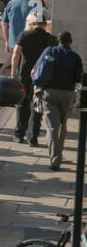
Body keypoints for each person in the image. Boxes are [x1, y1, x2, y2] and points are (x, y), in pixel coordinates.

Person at [34, 30, 83, 172]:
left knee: (52, 127)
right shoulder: (75, 57)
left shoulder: (50, 52)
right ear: (70, 41)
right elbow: (78, 77)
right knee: (63, 124)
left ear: (58, 40)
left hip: (49, 93)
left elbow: (39, 69)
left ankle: (55, 159)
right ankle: (59, 152)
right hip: (67, 94)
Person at [12, 10, 54, 147]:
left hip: (25, 74)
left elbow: (16, 55)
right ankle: (33, 137)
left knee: (22, 103)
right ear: (45, 23)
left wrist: (14, 73)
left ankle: (19, 134)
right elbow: (53, 59)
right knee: (37, 106)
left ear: (34, 22)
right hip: (41, 76)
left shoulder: (24, 35)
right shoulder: (51, 39)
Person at [3, 0, 39, 74]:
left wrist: (7, 40)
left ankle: (11, 76)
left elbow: (4, 23)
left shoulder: (11, 3)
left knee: (14, 60)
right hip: (29, 40)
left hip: (13, 39)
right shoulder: (35, 4)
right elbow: (38, 24)